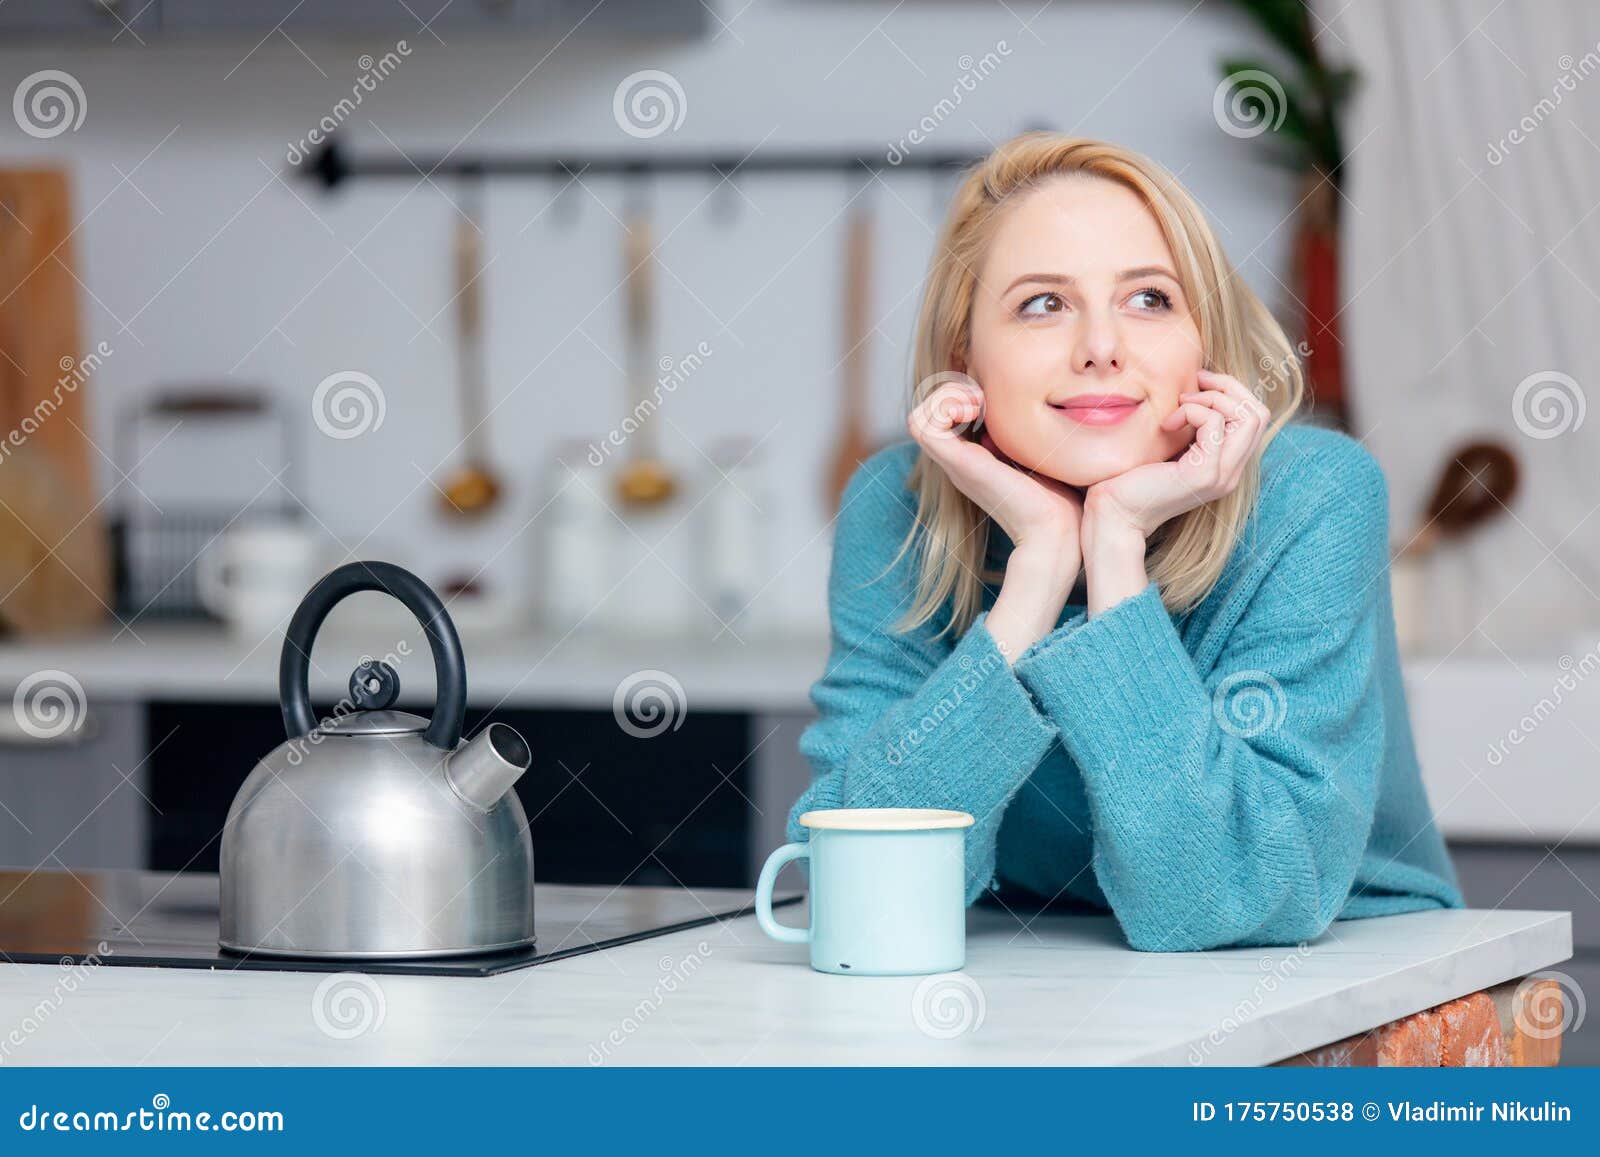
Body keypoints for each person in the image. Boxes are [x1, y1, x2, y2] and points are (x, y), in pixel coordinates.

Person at [785, 132, 1462, 952]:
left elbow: (1231, 899)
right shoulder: (896, 507)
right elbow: (857, 893)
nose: (1101, 346)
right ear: (965, 355)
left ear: (1203, 345)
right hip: (1040, 963)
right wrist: (1037, 569)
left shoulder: (1314, 495)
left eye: (1149, 299)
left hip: (1340, 960)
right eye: (1043, 303)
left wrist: (1115, 555)